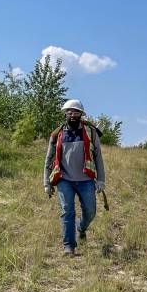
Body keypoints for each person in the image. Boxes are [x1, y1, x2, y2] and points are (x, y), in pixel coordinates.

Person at [43, 99, 106, 256]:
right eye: (69, 112)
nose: (72, 115)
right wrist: (46, 183)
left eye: (76, 112)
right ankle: (69, 246)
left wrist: (101, 180)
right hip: (64, 180)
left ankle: (81, 228)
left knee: (90, 212)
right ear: (65, 114)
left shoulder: (90, 133)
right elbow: (48, 159)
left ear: (81, 114)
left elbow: (98, 157)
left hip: (86, 180)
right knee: (67, 211)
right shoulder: (57, 135)